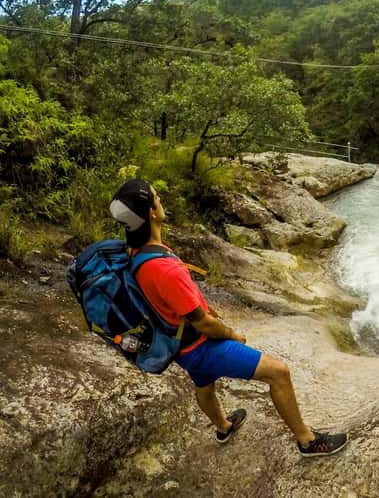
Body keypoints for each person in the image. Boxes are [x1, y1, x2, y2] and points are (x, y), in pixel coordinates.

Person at [109, 178, 348, 455]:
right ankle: (307, 441)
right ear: (151, 212)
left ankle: (224, 427)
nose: (161, 201)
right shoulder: (163, 269)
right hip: (200, 346)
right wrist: (233, 335)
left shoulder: (135, 253)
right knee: (278, 373)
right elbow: (203, 323)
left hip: (180, 346)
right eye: (157, 197)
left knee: (204, 384)